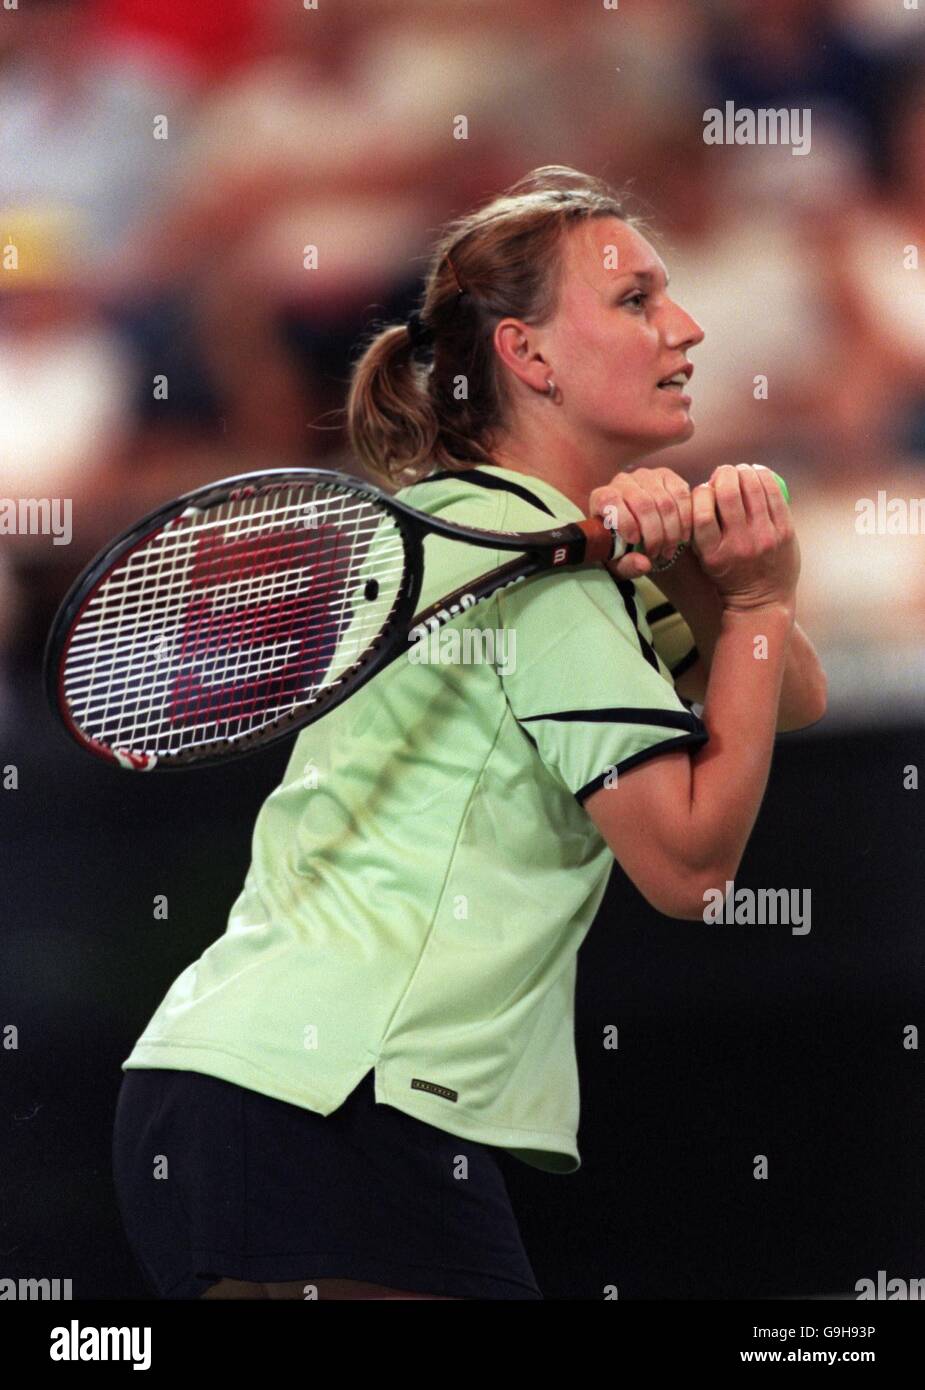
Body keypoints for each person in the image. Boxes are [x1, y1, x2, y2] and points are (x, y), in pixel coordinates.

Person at [111, 166, 827, 1301]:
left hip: (219, 1089)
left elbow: (789, 699)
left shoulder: (484, 533)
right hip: (345, 1101)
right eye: (636, 299)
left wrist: (707, 577)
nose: (685, 327)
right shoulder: (539, 570)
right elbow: (691, 864)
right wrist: (753, 600)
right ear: (527, 356)